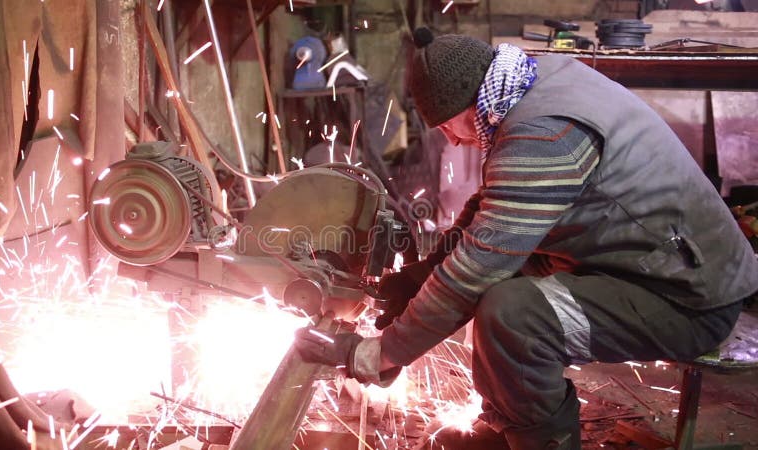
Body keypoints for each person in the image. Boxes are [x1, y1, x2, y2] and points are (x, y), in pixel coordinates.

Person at [295, 27, 758, 449]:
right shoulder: (530, 80)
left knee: (513, 314)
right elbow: (493, 215)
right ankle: (509, 426)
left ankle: (543, 442)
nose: (453, 142)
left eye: (448, 128)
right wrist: (415, 278)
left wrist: (378, 354)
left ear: (470, 105)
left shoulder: (543, 133)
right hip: (646, 262)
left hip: (688, 297)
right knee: (500, 283)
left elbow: (478, 266)